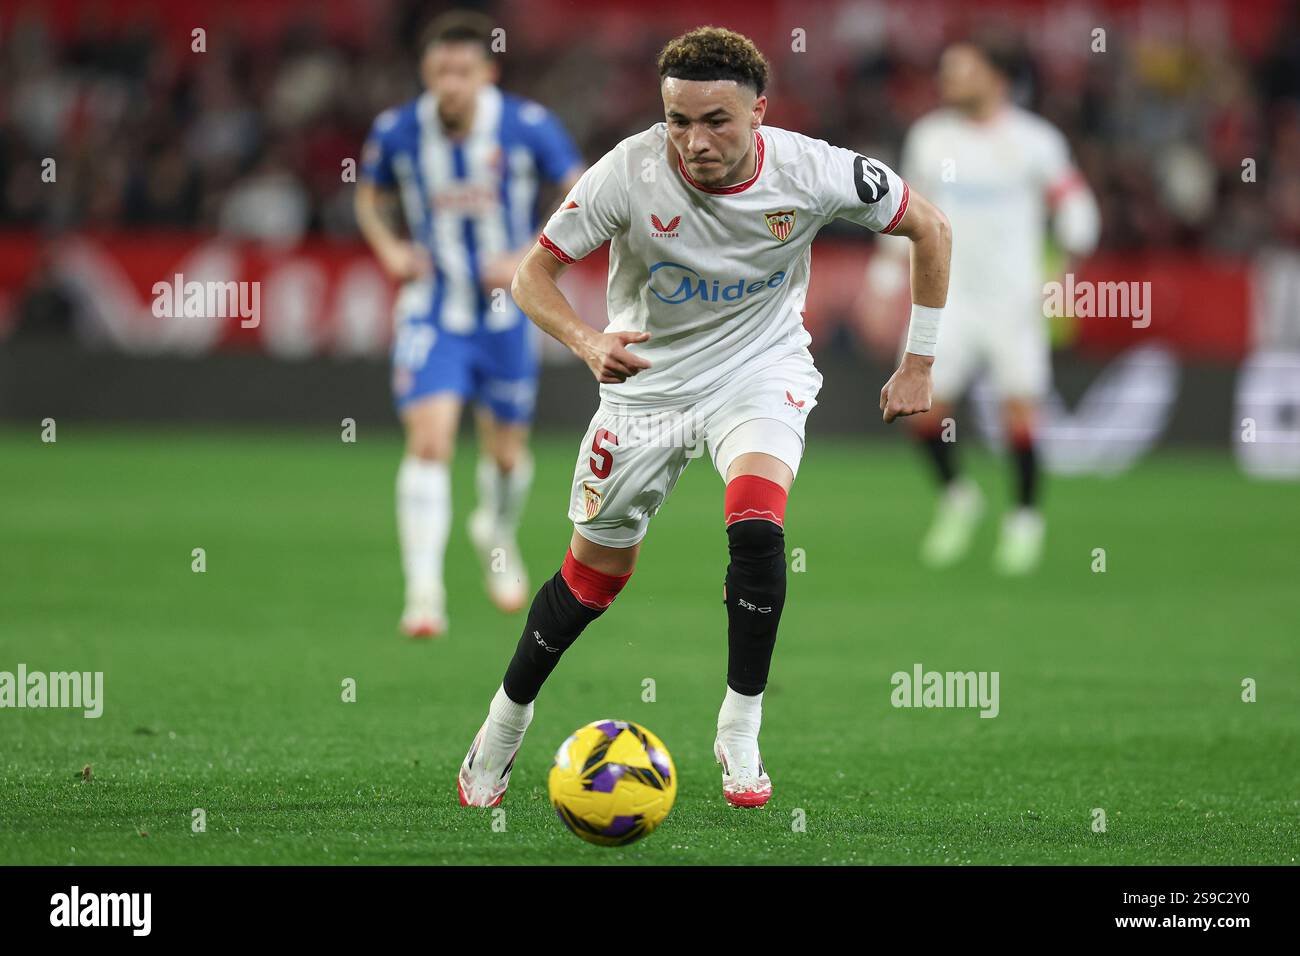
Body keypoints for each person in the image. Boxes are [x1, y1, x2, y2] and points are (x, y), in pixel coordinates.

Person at [457, 26, 951, 813]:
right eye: (678, 120)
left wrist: (919, 361)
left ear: (759, 111)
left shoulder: (813, 169)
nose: (694, 140)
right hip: (645, 383)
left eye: (715, 120)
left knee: (757, 526)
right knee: (592, 580)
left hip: (760, 370)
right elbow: (531, 276)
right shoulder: (628, 171)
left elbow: (931, 226)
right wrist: (588, 343)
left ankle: (740, 725)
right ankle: (504, 722)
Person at [355, 12, 583, 636]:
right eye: (438, 72)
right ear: (424, 74)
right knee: (429, 442)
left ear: (489, 72)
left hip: (508, 312)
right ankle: (424, 592)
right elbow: (368, 196)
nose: (449, 84)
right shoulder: (398, 130)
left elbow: (581, 191)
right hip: (432, 308)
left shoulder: (526, 124)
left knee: (507, 456)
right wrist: (389, 250)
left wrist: (530, 255)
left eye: (462, 71)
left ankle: (496, 529)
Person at [860, 40, 1100, 575]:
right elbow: (904, 215)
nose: (949, 79)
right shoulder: (930, 136)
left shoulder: (1035, 141)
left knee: (1020, 412)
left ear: (996, 77)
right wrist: (883, 282)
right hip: (947, 301)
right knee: (918, 410)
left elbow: (1077, 206)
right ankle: (958, 497)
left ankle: (1023, 522)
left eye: (962, 70)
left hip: (1013, 303)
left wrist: (1065, 267)